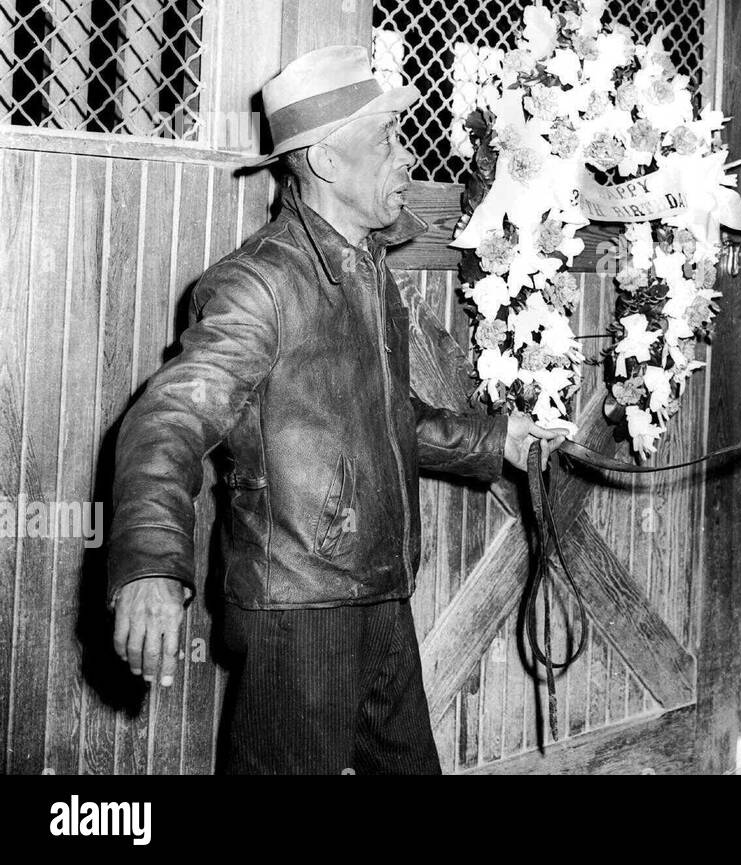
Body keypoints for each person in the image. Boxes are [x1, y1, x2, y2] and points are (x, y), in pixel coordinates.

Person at [107, 44, 565, 774]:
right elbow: (167, 421)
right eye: (385, 136)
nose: (404, 155)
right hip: (298, 606)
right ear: (324, 160)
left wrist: (496, 438)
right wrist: (147, 565)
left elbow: (389, 418)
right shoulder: (258, 284)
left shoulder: (366, 267)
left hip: (376, 586)